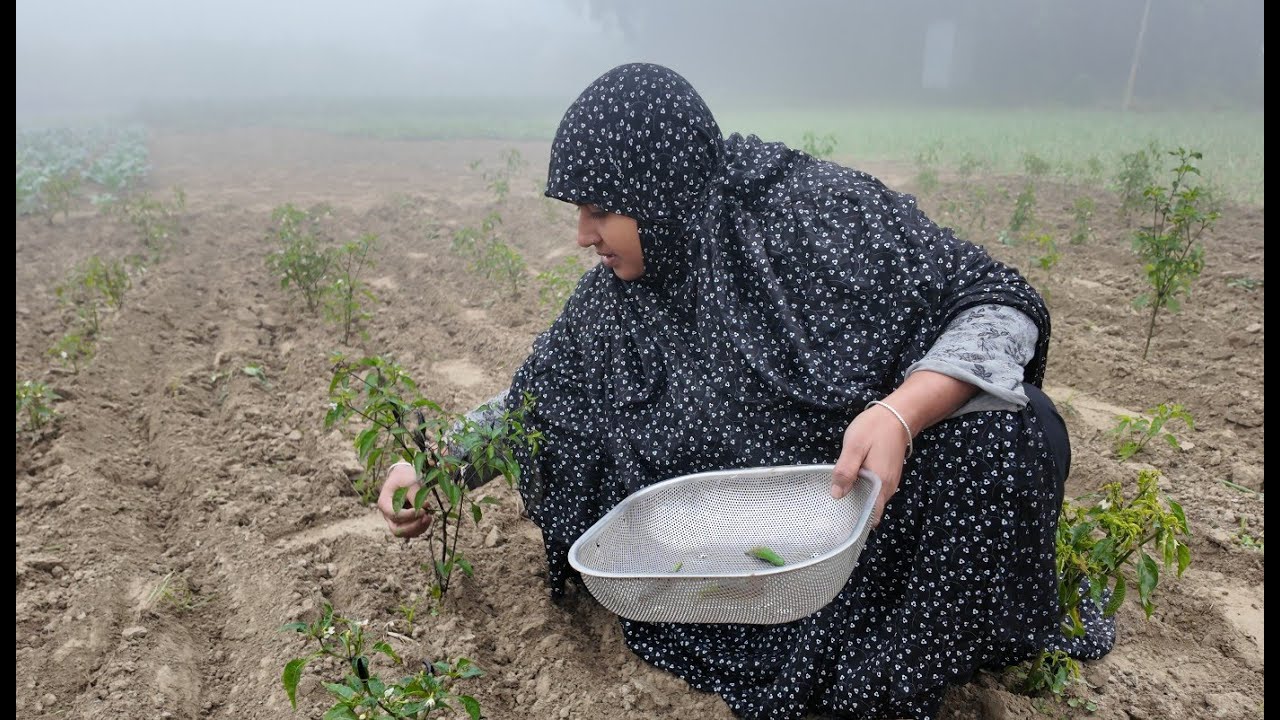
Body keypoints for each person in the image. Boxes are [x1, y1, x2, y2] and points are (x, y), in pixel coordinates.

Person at [378, 63, 1115, 719]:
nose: (581, 235)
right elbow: (533, 406)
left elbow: (997, 304)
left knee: (1014, 431)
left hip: (871, 503)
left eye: (600, 210)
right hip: (764, 546)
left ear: (655, 189)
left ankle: (919, 654)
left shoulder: (809, 217)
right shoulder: (621, 297)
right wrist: (434, 463)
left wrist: (899, 412)